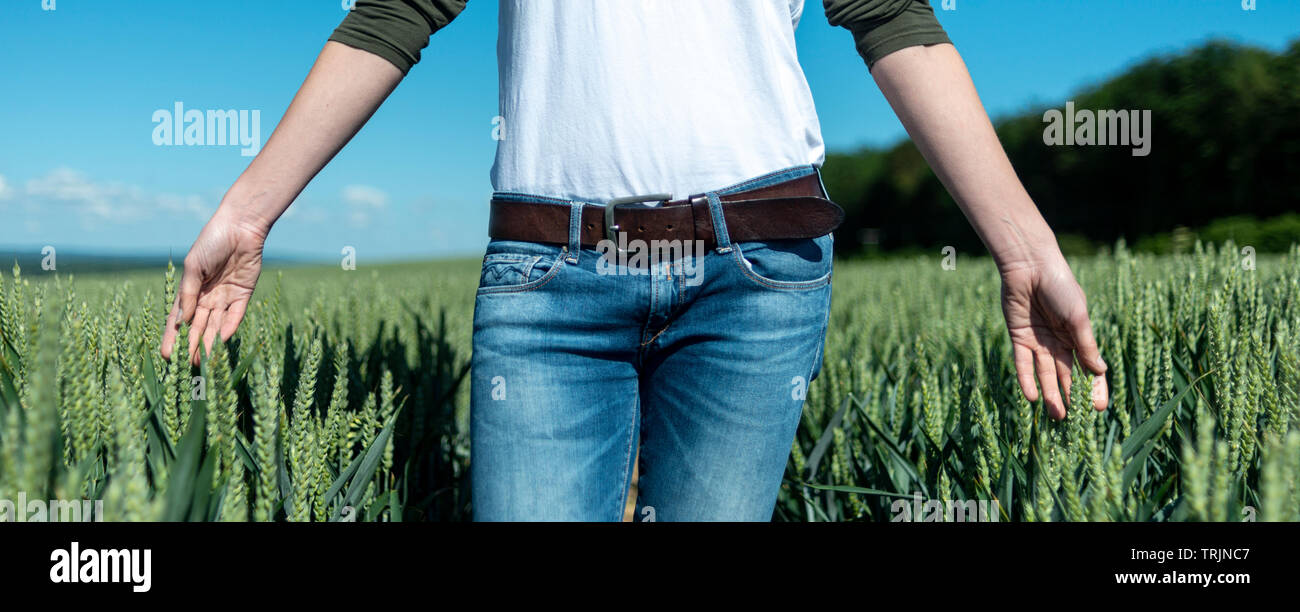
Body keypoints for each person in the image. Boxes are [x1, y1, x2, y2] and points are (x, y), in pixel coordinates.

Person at [160, 0, 1109, 521]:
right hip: (546, 277)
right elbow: (397, 12)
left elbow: (893, 16)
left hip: (759, 275)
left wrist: (1024, 248)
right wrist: (248, 215)